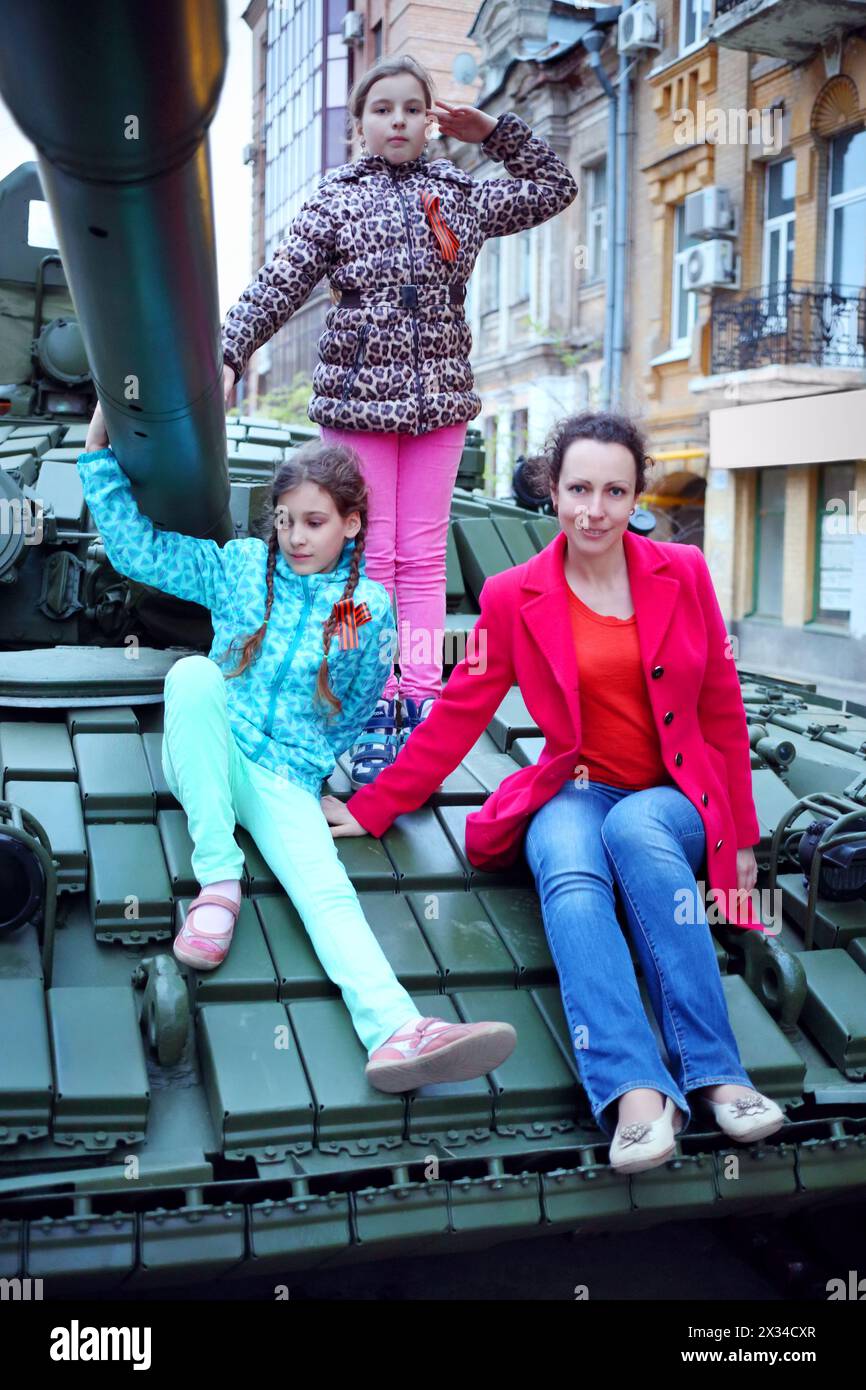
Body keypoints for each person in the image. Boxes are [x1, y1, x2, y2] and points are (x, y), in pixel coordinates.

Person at [322, 410, 785, 1172]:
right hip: (575, 788)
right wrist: (373, 804)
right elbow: (457, 715)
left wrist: (737, 847)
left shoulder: (685, 573)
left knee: (636, 831)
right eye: (578, 488)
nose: (594, 509)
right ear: (551, 490)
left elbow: (722, 714)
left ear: (637, 497)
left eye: (614, 490)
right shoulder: (514, 596)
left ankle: (717, 1073)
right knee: (570, 869)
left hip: (672, 797)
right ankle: (635, 1092)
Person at [75, 405, 516, 1093]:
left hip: (287, 775)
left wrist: (312, 761)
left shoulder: (365, 606)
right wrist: (99, 458)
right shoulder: (243, 567)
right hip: (214, 750)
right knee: (192, 676)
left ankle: (399, 1032)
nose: (295, 536)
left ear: (352, 522)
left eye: (314, 522)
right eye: (285, 520)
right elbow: (139, 551)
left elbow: (363, 701)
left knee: (328, 893)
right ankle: (217, 886)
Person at [220, 53, 578, 788]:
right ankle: (368, 697)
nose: (397, 120)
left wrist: (495, 133)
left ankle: (417, 695)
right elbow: (281, 283)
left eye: (412, 108)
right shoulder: (335, 198)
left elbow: (555, 187)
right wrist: (229, 351)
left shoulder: (460, 192)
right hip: (356, 404)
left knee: (420, 560)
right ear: (360, 124)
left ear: (430, 120)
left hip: (440, 401)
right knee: (369, 557)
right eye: (382, 109)